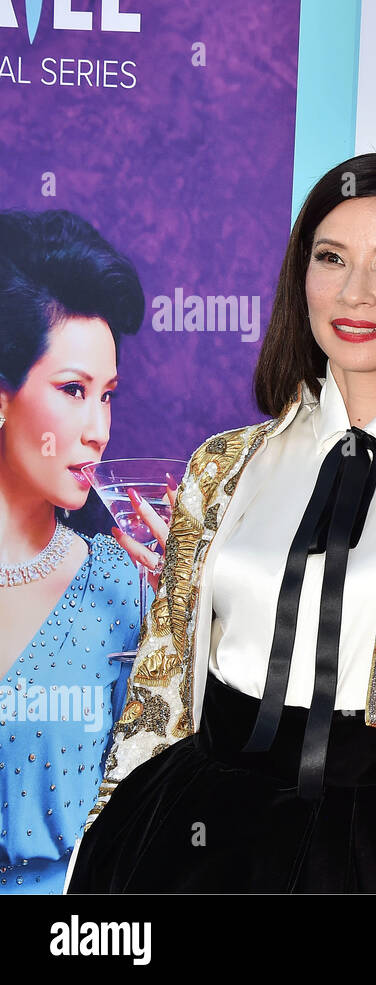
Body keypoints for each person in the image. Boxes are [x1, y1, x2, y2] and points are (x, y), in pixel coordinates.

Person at [67, 153, 376, 893]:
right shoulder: (223, 465)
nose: (354, 292)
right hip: (199, 832)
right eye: (331, 258)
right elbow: (162, 684)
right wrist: (107, 828)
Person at [0, 209, 146, 893]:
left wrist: (188, 621)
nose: (98, 430)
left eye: (107, 396)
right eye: (72, 390)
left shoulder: (121, 586)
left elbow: (156, 802)